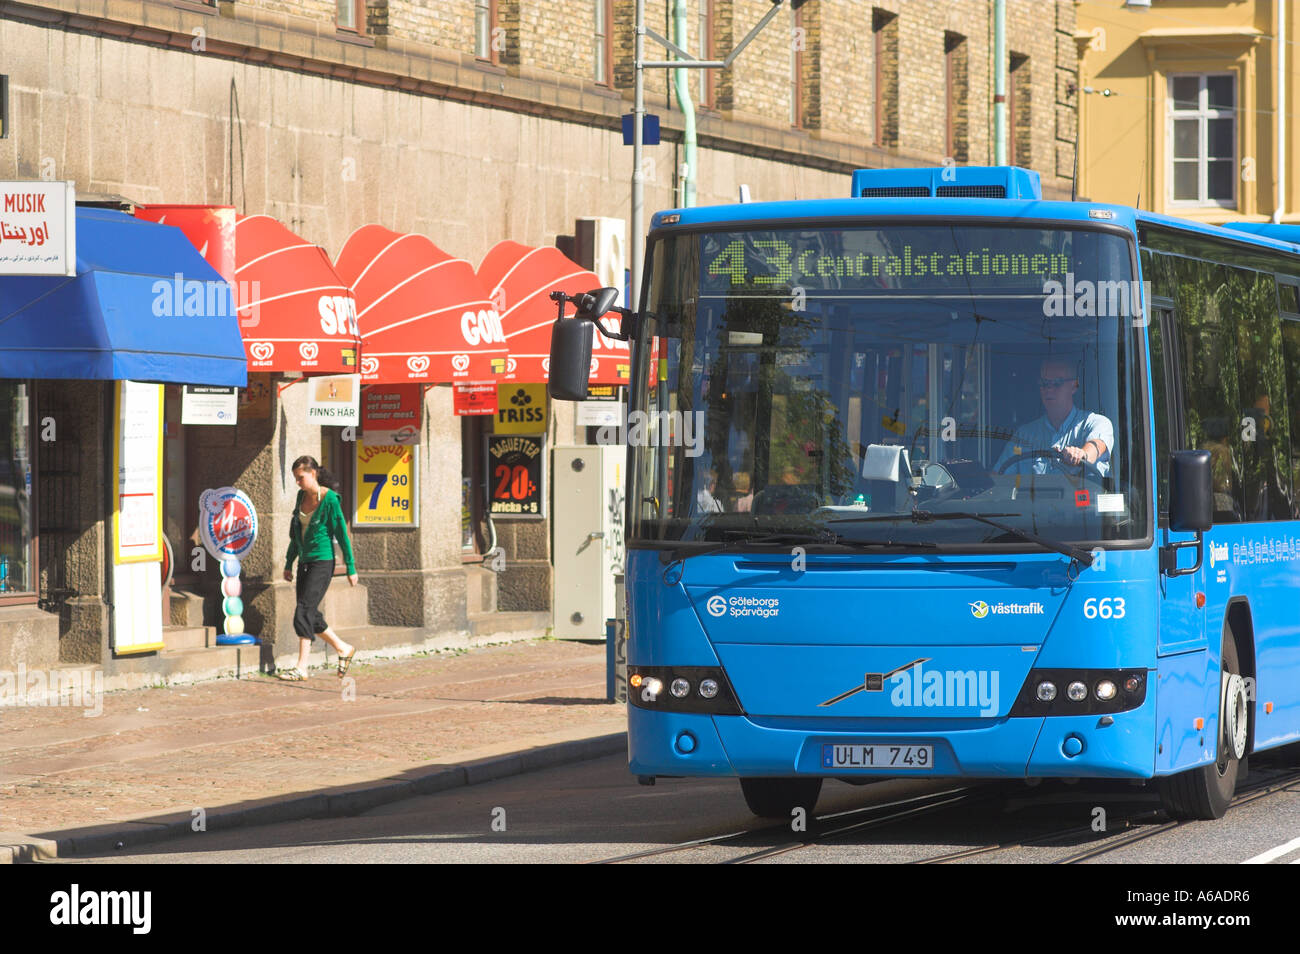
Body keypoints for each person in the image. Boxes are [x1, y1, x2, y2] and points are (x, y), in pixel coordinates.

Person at [279, 455, 359, 680]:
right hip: (304, 561)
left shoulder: (330, 499)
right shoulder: (300, 497)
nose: (298, 482)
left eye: (300, 477)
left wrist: (351, 567)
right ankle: (343, 648)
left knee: (303, 610)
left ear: (312, 473)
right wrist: (288, 562)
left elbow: (341, 533)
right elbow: (296, 533)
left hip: (323, 561)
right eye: (295, 478)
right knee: (310, 614)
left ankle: (302, 667)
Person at [996, 358, 1114, 478]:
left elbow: (1096, 446)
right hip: (1033, 497)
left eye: (1057, 383)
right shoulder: (1024, 435)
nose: (1049, 389)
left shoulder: (1096, 423)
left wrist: (1081, 454)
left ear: (1074, 385)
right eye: (1044, 383)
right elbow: (997, 480)